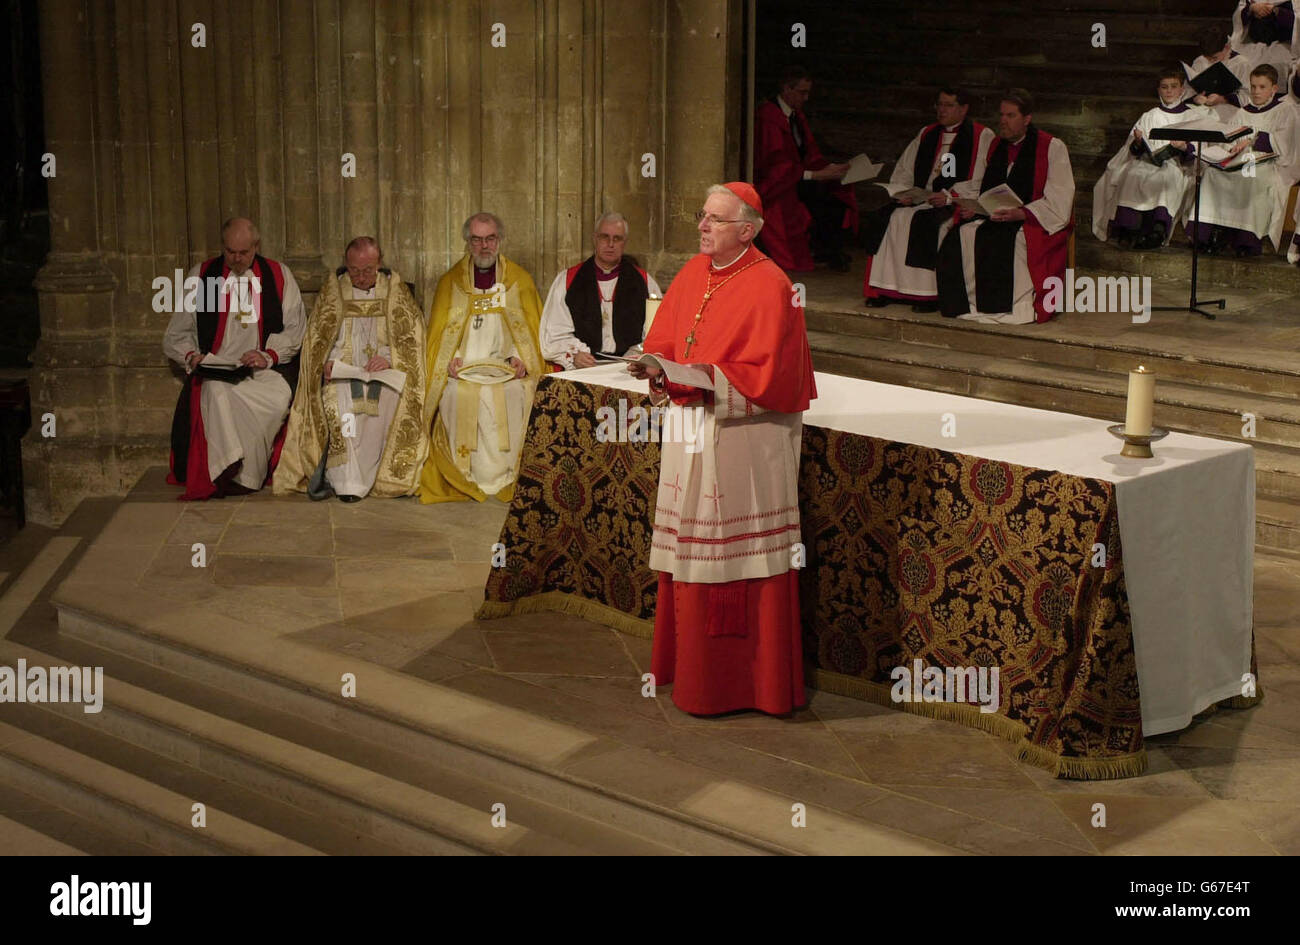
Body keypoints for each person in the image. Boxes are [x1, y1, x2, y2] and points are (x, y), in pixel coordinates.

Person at [631, 182, 816, 717]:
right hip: (691, 433)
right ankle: (686, 668)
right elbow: (665, 341)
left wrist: (705, 378)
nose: (702, 226)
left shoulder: (772, 285)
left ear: (748, 229)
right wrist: (656, 369)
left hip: (744, 444)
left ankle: (740, 683)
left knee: (733, 560)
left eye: (715, 219)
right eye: (701, 215)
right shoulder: (692, 272)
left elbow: (773, 377)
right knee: (690, 550)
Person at [273, 237, 428, 501]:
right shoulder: (334, 293)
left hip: (383, 373)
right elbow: (319, 339)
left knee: (391, 398)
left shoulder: (396, 292)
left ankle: (378, 476)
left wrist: (390, 359)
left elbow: (410, 339)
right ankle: (346, 481)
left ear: (379, 263)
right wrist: (329, 362)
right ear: (346, 264)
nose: (361, 277)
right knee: (339, 403)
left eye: (368, 270)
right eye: (355, 270)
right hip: (344, 374)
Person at [165, 217, 304, 499]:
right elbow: (175, 335)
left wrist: (268, 355)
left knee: (276, 399)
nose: (237, 258)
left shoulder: (278, 275)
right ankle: (226, 469)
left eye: (243, 252)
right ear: (223, 247)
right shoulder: (201, 277)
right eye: (230, 252)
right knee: (216, 393)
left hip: (262, 368)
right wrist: (191, 356)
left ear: (256, 246)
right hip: (217, 368)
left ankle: (249, 476)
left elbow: (296, 327)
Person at [417, 212, 544, 503]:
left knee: (517, 393)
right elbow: (440, 332)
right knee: (454, 394)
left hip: (506, 371)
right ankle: (465, 474)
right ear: (468, 242)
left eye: (489, 239)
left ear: (499, 240)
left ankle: (509, 474)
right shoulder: (451, 282)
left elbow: (530, 330)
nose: (484, 246)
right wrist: (452, 358)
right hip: (463, 371)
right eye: (476, 239)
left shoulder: (519, 281)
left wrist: (519, 357)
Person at [935, 90, 1075, 325]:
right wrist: (976, 206)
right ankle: (973, 304)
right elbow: (982, 184)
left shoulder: (1051, 146)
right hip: (997, 215)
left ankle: (1014, 309)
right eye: (1001, 115)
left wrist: (1022, 213)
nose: (1003, 121)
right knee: (961, 233)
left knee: (1013, 240)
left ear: (1027, 118)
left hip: (1032, 219)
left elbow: (1060, 196)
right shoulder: (995, 145)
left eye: (1010, 115)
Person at [862, 87, 995, 312]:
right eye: (939, 104)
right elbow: (905, 168)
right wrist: (903, 192)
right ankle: (885, 288)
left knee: (925, 224)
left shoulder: (982, 136)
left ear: (964, 109)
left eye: (948, 105)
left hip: (951, 202)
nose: (941, 110)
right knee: (889, 218)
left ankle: (925, 295)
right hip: (920, 199)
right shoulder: (927, 133)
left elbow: (982, 178)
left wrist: (950, 196)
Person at [753, 65, 859, 272]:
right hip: (777, 186)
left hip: (796, 179)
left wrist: (830, 168)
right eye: (802, 92)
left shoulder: (796, 116)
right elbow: (774, 165)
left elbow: (809, 153)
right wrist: (816, 174)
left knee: (837, 196)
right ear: (786, 89)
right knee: (819, 203)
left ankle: (828, 252)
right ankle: (821, 251)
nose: (807, 98)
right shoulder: (768, 118)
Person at [1093, 70, 1209, 249]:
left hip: (1175, 163)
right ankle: (1127, 229)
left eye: (1173, 87)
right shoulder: (1150, 115)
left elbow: (1199, 148)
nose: (1169, 91)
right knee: (1132, 173)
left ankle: (1158, 229)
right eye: (1164, 87)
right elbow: (1132, 148)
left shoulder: (1191, 116)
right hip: (1146, 161)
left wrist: (1184, 147)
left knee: (1165, 176)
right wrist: (1139, 142)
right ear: (1159, 90)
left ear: (1182, 90)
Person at [1191, 64, 1296, 256]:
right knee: (1212, 174)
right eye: (1253, 86)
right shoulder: (1241, 112)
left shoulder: (1285, 111)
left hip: (1266, 162)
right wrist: (1227, 149)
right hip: (1238, 158)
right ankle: (1211, 233)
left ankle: (1245, 240)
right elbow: (1228, 139)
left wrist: (1252, 139)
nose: (1256, 92)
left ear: (1274, 88)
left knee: (1248, 177)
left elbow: (1284, 143)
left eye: (1262, 87)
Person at [539, 212, 662, 370]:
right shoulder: (567, 280)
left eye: (617, 238)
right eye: (605, 237)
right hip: (583, 369)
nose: (610, 244)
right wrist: (575, 355)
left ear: (625, 242)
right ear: (594, 238)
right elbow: (554, 334)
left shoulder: (644, 282)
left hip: (629, 369)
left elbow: (657, 333)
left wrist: (638, 354)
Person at [1230, 1, 1296, 88]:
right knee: (1242, 62)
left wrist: (1276, 11)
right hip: (1253, 41)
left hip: (1284, 41)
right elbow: (1240, 12)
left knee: (1279, 65)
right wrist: (1252, 8)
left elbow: (1297, 20)